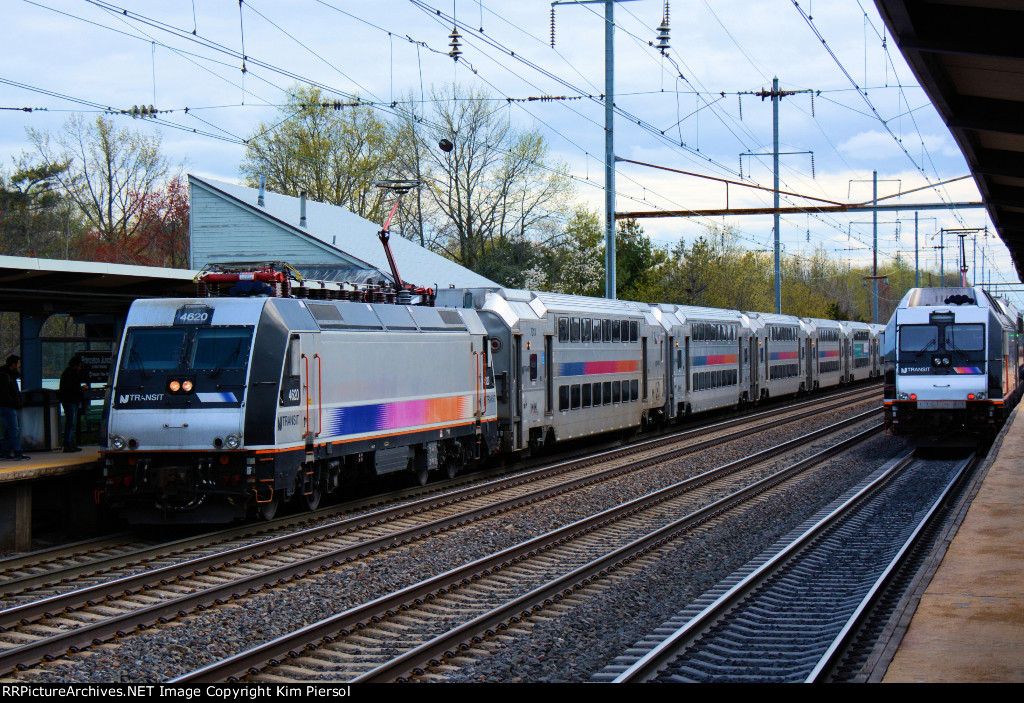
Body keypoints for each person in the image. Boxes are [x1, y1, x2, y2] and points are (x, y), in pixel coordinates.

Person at [0, 355, 29, 460]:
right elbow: (4, 393)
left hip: (9, 406)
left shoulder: (9, 375)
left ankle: (4, 452)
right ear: (13, 364)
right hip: (7, 406)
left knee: (9, 430)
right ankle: (18, 452)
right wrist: (14, 402)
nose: (19, 366)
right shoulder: (5, 376)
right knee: (14, 430)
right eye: (18, 364)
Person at [59, 356, 87, 452]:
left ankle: (70, 443)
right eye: (79, 366)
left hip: (70, 400)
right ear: (75, 366)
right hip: (70, 401)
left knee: (71, 423)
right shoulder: (70, 375)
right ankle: (68, 443)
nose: (80, 368)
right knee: (71, 423)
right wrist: (81, 389)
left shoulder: (67, 374)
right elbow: (70, 389)